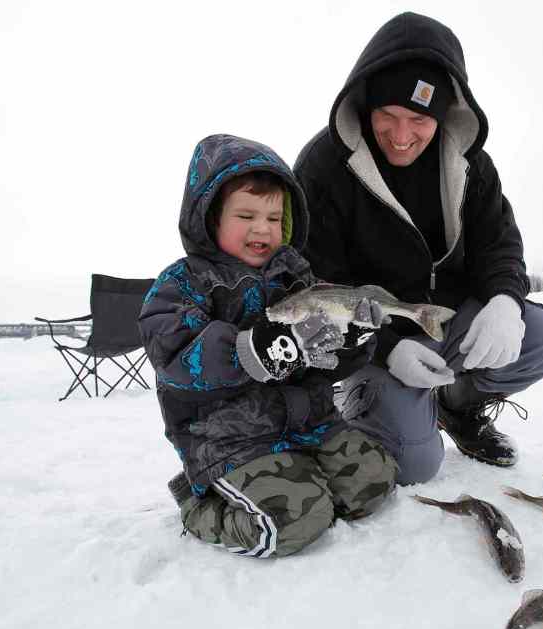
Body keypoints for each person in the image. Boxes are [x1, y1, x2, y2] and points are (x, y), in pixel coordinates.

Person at [294, 12, 543, 484]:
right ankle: (361, 403)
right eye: (388, 116)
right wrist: (387, 348)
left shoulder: (471, 165)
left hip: (448, 324)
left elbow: (498, 243)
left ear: (442, 114)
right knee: (415, 466)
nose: (402, 137)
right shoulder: (323, 167)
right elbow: (318, 289)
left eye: (419, 119)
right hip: (374, 340)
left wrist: (504, 300)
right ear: (365, 106)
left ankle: (458, 409)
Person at [139, 134, 397, 558]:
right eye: (246, 215)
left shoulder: (300, 279)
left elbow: (326, 362)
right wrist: (250, 350)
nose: (262, 228)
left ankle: (300, 474)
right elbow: (171, 350)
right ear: (210, 218)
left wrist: (353, 340)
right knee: (293, 522)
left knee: (374, 480)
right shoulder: (184, 283)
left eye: (275, 219)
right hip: (229, 438)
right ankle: (196, 504)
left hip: (309, 424)